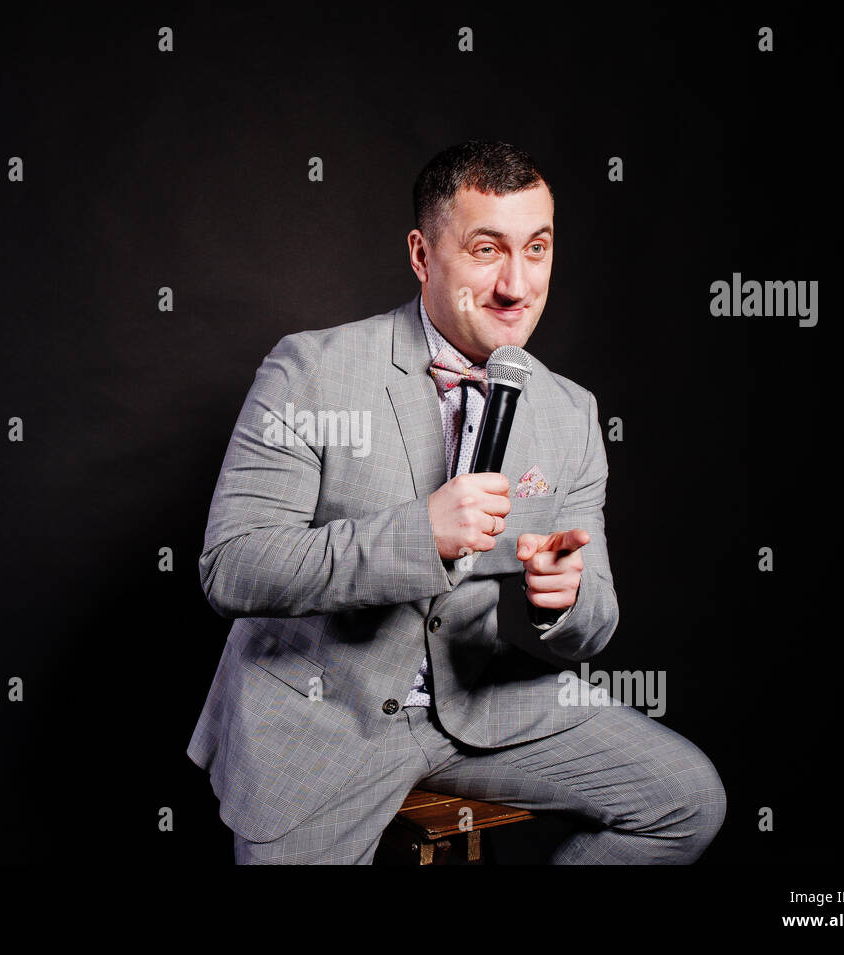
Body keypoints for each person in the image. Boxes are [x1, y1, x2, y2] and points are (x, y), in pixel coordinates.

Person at [188, 140, 726, 864]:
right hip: (323, 719)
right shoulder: (310, 371)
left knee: (687, 799)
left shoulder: (569, 412)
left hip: (476, 700)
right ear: (421, 254)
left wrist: (562, 600)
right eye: (485, 249)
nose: (516, 283)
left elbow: (594, 623)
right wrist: (419, 534)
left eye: (536, 248)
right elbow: (233, 566)